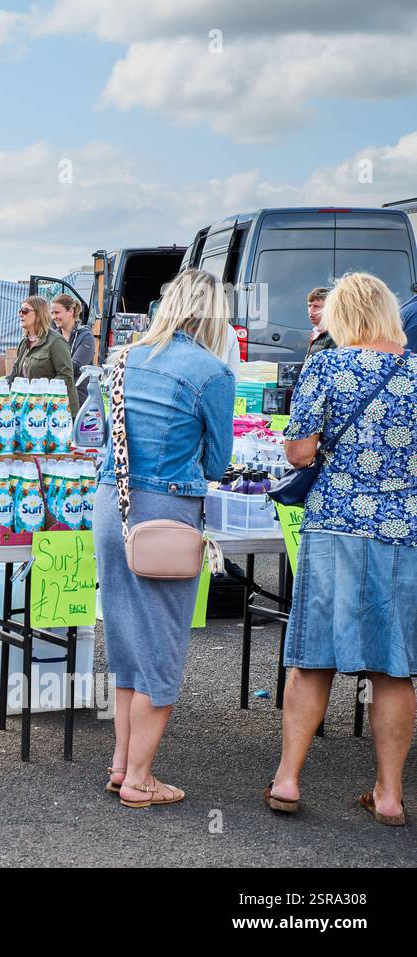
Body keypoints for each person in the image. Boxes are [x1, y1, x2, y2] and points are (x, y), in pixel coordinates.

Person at [266, 272, 416, 826]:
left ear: (341, 315)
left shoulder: (326, 366)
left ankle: (287, 779)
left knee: (312, 658)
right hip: (403, 530)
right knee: (393, 667)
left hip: (335, 523)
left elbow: (301, 453)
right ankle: (391, 794)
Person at [92, 268, 235, 808]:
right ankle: (140, 780)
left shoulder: (122, 360)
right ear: (212, 314)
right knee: (162, 648)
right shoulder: (211, 371)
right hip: (167, 513)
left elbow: (107, 436)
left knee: (127, 642)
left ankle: (122, 764)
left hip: (113, 504)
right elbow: (218, 462)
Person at [9, 296, 78, 408]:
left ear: (39, 314)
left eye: (25, 311)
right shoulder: (24, 343)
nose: (20, 314)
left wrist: (39, 388)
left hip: (57, 410)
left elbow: (66, 377)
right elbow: (15, 375)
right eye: (20, 311)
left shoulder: (55, 341)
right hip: (32, 407)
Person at [52, 293, 94, 406]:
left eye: (57, 313)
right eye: (52, 313)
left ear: (70, 311)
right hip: (55, 393)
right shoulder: (53, 336)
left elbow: (75, 367)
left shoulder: (86, 336)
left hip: (78, 395)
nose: (53, 317)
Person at [304, 286, 334, 359]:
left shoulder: (334, 336)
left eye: (316, 306)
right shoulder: (317, 333)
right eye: (309, 306)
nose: (311, 311)